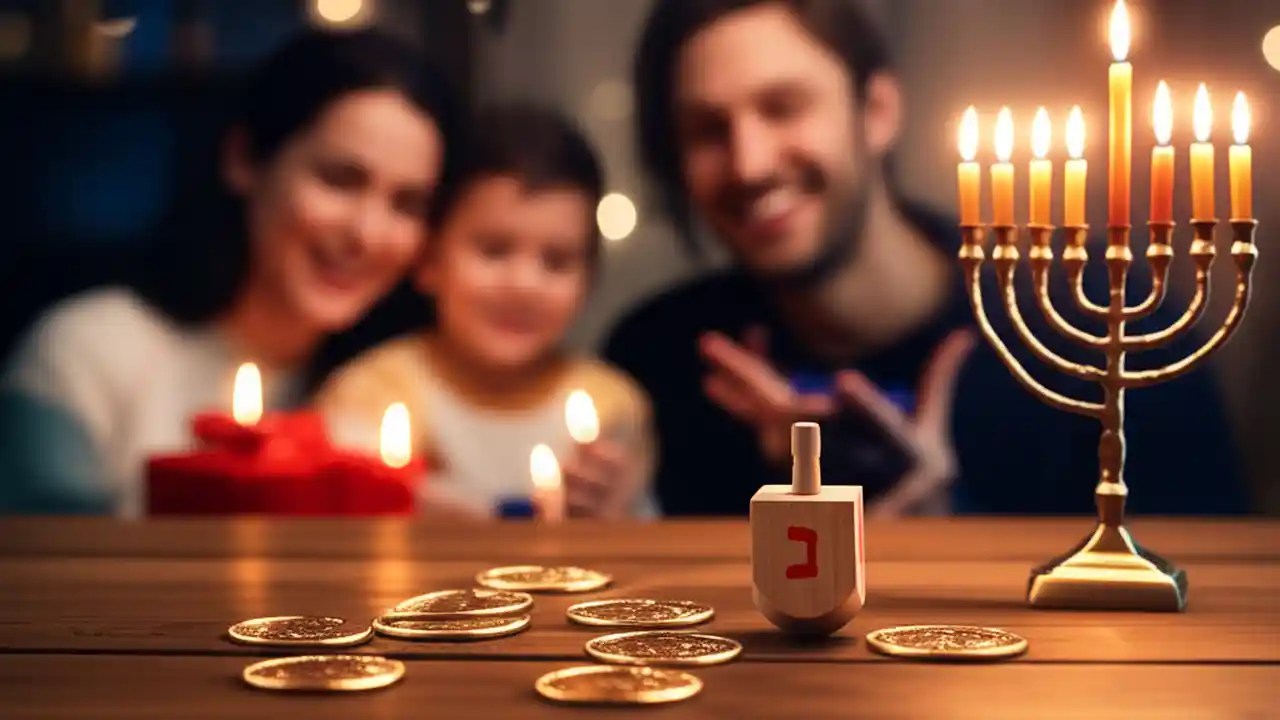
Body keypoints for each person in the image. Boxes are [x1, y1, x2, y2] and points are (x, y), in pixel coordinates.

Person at [606, 0, 1245, 516]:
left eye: (783, 108)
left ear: (877, 111)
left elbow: (1203, 592)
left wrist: (943, 531)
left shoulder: (1105, 320)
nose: (748, 162)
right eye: (706, 130)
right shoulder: (659, 362)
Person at [0, 29, 461, 516]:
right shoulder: (85, 355)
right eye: (339, 179)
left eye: (408, 204)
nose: (367, 233)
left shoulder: (389, 393)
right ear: (244, 159)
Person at [317, 105, 655, 519]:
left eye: (557, 261)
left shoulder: (614, 407)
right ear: (428, 261)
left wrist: (614, 510)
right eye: (494, 250)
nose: (524, 285)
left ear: (589, 281)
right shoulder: (370, 392)